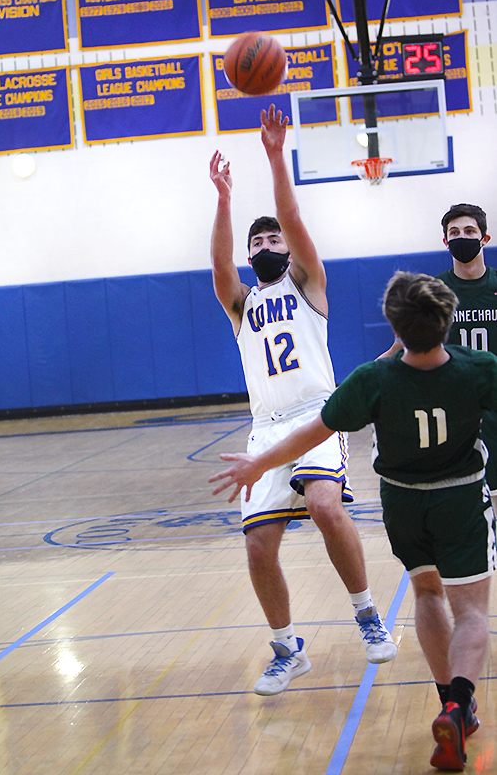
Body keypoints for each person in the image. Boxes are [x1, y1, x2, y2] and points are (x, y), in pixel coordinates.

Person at [210, 271, 496, 771]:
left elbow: (312, 432)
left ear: (393, 325)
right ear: (447, 320)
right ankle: (459, 703)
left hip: (405, 504)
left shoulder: (373, 379)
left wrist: (258, 464)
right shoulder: (480, 368)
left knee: (427, 595)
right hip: (461, 500)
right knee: (471, 613)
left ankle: (445, 697)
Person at [208, 103, 396, 698]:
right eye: (256, 240)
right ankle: (288, 648)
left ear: (288, 249)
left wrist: (273, 158)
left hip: (320, 414)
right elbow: (218, 266)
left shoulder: (307, 282)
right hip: (265, 428)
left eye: (274, 238)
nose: (266, 243)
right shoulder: (242, 304)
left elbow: (290, 216)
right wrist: (223, 198)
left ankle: (366, 614)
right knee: (259, 545)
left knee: (323, 505)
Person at [380, 203, 497, 506]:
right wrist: (370, 376)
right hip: (455, 408)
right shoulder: (433, 291)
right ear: (445, 242)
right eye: (454, 232)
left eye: (470, 231)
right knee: (463, 503)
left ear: (484, 238)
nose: (462, 237)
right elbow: (400, 348)